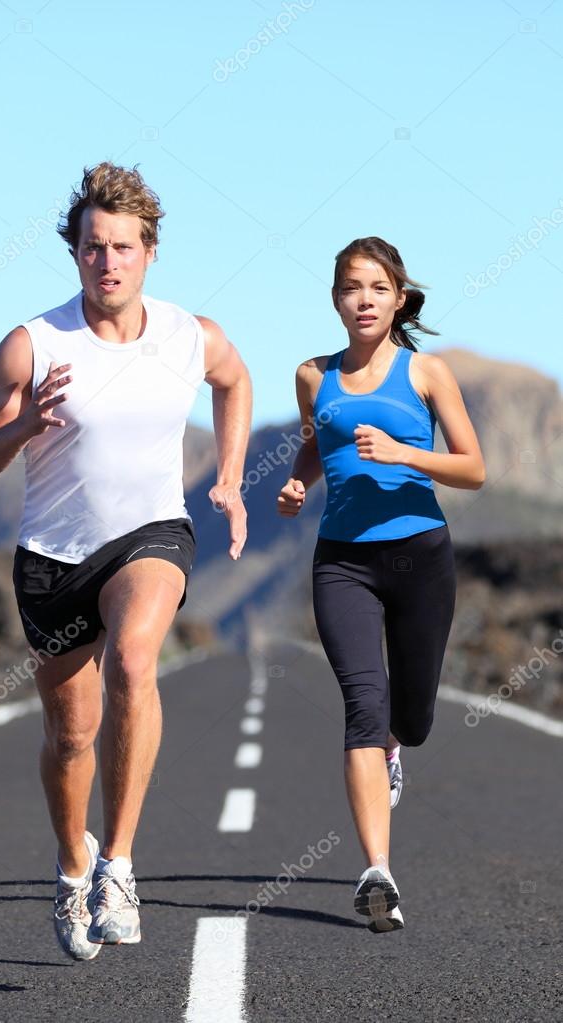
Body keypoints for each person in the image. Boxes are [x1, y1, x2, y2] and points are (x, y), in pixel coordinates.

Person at [0, 162, 251, 959]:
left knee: (133, 660)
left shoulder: (188, 335)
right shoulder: (34, 344)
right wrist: (22, 430)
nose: (107, 262)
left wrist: (227, 476)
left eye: (122, 247)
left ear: (150, 252)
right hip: (53, 558)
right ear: (75, 252)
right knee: (72, 736)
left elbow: (235, 379)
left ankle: (118, 862)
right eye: (93, 247)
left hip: (150, 534)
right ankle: (72, 861)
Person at [277, 237, 485, 933]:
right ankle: (378, 873)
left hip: (420, 555)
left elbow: (473, 467)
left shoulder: (427, 373)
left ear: (398, 297)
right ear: (334, 299)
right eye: (348, 288)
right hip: (343, 561)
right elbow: (316, 439)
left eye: (375, 287)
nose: (362, 300)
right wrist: (298, 481)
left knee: (412, 717)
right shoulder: (313, 374)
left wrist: (403, 453)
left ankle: (398, 746)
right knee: (363, 703)